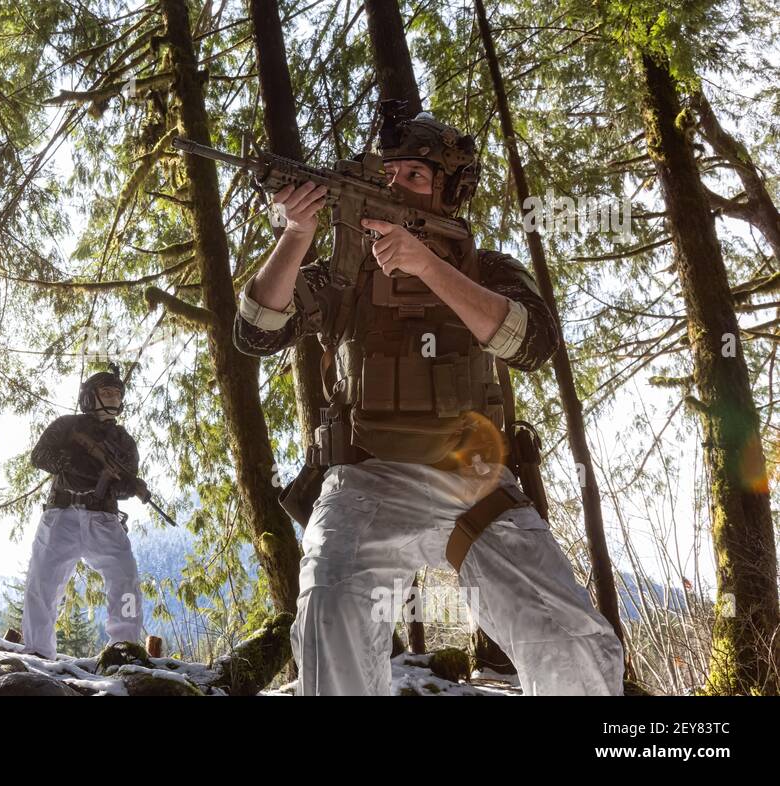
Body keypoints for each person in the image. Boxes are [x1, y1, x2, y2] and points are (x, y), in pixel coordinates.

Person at [234, 106, 624, 695]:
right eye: (388, 173)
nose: (395, 185)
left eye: (414, 175)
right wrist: (296, 234)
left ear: (449, 193)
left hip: (475, 482)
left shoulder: (483, 267)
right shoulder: (345, 270)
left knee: (572, 639)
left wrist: (430, 267)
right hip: (366, 479)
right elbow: (256, 331)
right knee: (330, 617)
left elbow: (534, 342)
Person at [21, 365, 147, 659]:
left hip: (103, 517)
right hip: (61, 513)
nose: (113, 398)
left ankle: (125, 647)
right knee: (43, 582)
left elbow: (124, 489)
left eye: (117, 393)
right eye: (106, 392)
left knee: (125, 579)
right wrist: (76, 463)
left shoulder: (125, 442)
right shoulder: (67, 426)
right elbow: (39, 456)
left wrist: (128, 484)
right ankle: (38, 651)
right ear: (89, 397)